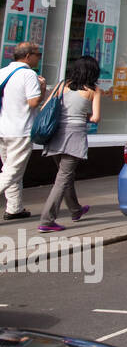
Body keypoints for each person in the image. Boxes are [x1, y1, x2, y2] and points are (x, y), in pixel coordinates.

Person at [37, 55, 101, 232]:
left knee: (65, 175)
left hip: (56, 134)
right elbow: (95, 117)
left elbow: (45, 107)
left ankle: (75, 210)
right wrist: (83, 115)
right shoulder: (94, 90)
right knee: (63, 178)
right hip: (75, 136)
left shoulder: (61, 85)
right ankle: (47, 220)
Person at [0, 41, 47, 221]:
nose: (38, 58)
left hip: (3, 129)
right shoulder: (28, 74)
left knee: (11, 170)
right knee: (12, 172)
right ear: (28, 56)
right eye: (38, 54)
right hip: (21, 130)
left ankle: (14, 208)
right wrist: (42, 89)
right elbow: (33, 102)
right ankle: (14, 208)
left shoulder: (3, 72)